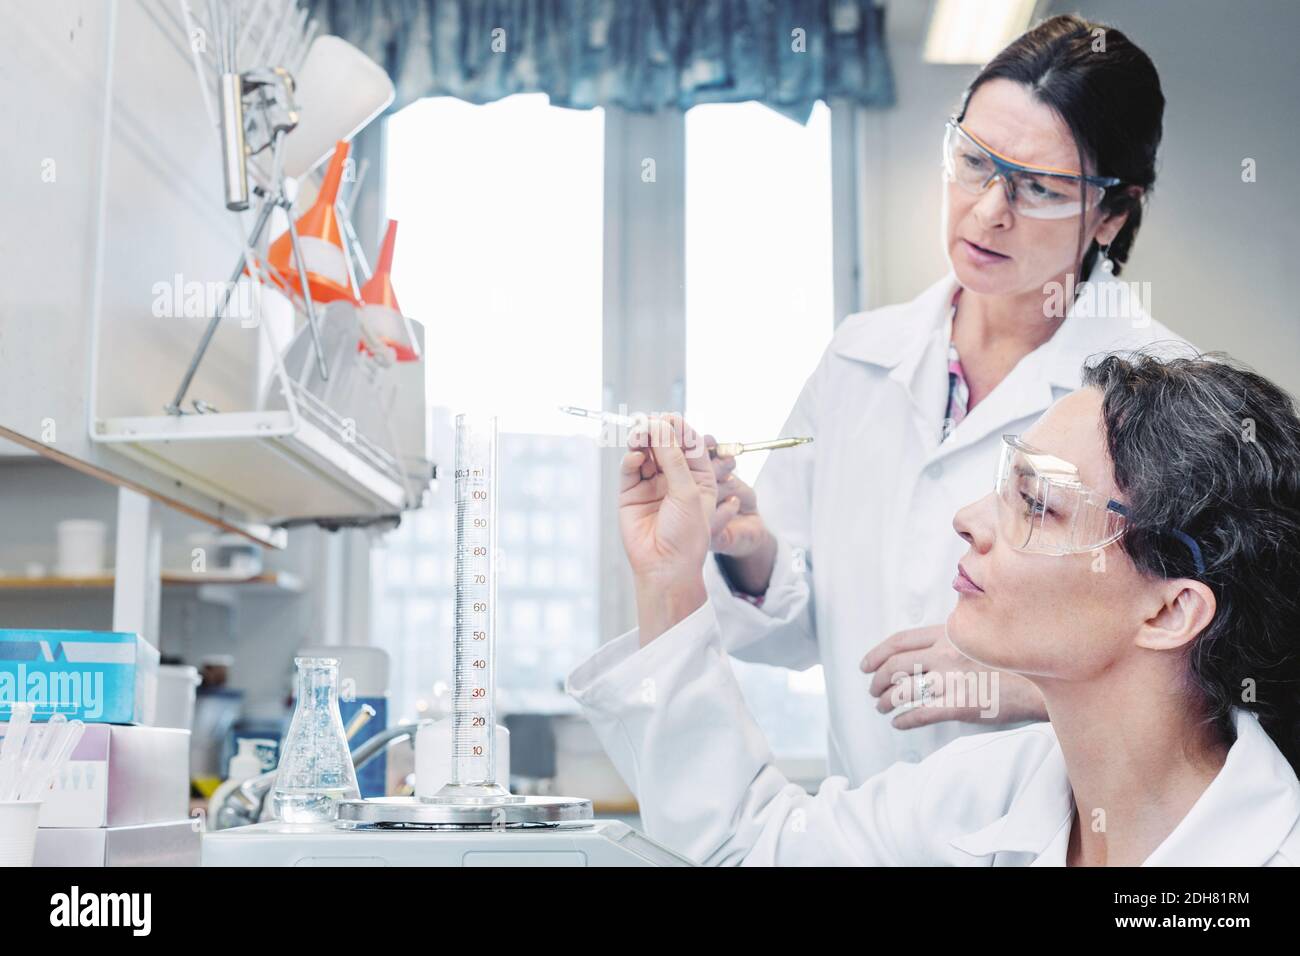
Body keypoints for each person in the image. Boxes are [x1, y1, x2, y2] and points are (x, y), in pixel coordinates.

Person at [700, 14, 1189, 782]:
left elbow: (1224, 678)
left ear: (1113, 213)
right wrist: (751, 551)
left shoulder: (1166, 389)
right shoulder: (859, 358)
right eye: (972, 161)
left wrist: (1033, 689)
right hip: (866, 834)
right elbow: (792, 634)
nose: (990, 209)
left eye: (1038, 188)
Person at [568, 353, 1300, 865]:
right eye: (1002, 483)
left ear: (1171, 611)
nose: (968, 518)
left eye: (1036, 505)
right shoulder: (989, 790)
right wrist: (671, 577)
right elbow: (750, 848)